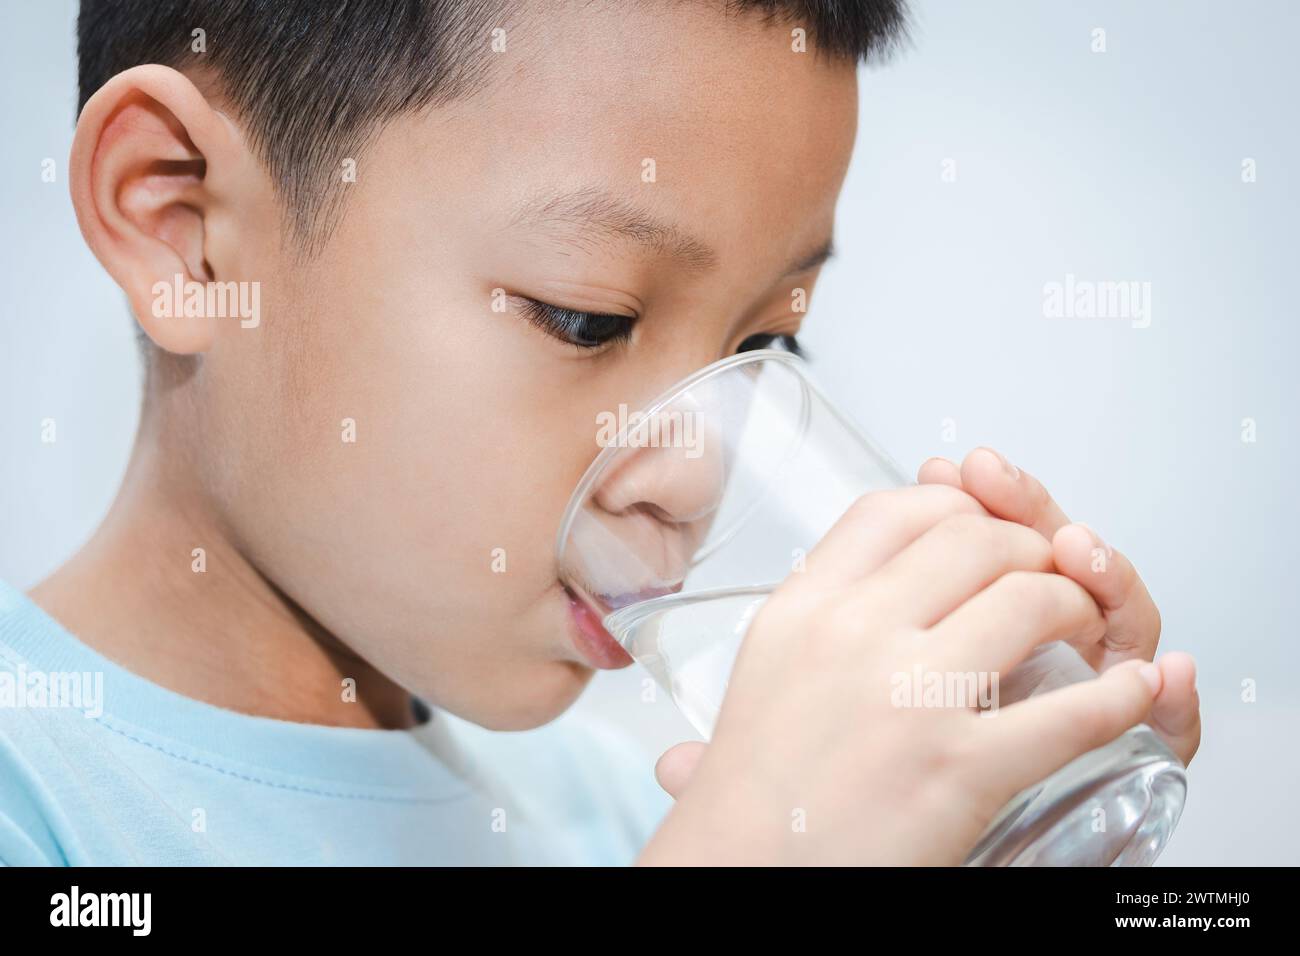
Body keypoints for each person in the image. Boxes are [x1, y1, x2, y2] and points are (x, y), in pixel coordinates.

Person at [0, 0, 1199, 865]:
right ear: (185, 228)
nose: (695, 470)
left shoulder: (628, 818)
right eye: (590, 316)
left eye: (762, 348)